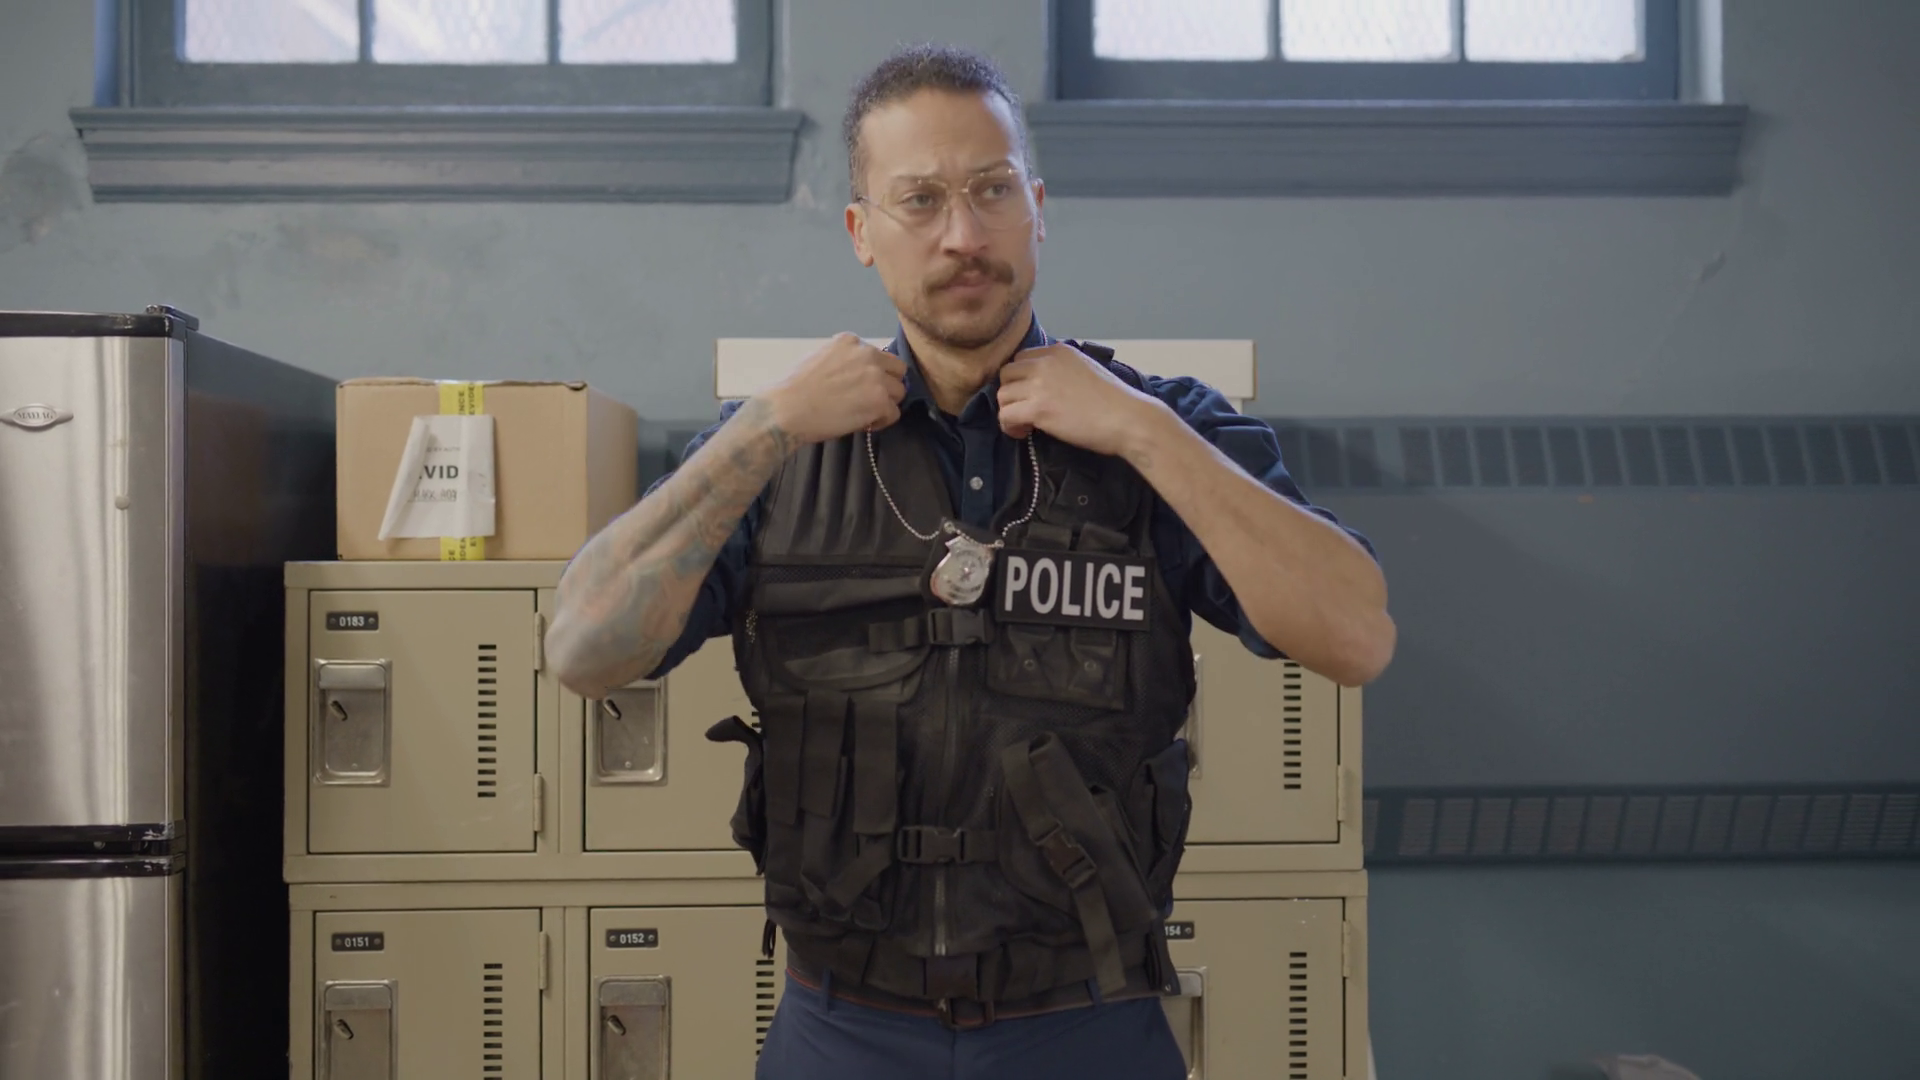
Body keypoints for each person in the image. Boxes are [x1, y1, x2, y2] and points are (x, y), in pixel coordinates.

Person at [547, 43, 1395, 1080]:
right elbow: (582, 651)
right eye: (920, 200)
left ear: (1038, 206)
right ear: (862, 233)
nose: (963, 235)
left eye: (993, 190)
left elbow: (1358, 636)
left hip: (1087, 1025)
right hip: (842, 1028)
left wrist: (1141, 434)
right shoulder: (777, 452)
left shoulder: (1160, 429)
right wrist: (759, 431)